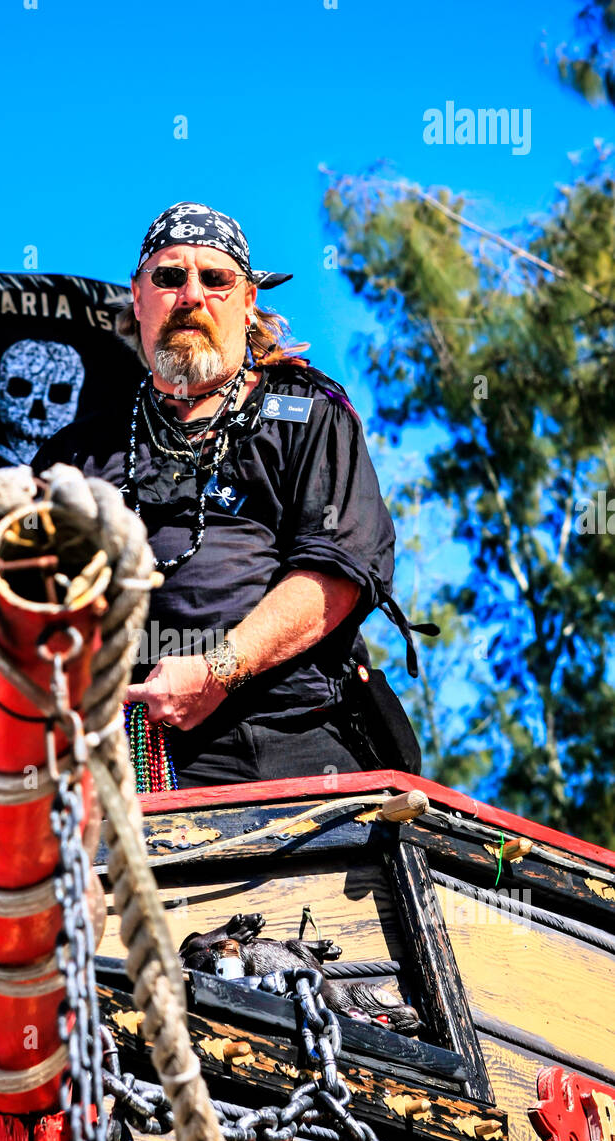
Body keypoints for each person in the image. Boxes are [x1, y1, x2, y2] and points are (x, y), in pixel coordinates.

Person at [34, 201, 427, 788]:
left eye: (216, 279)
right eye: (169, 277)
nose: (191, 295)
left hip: (292, 742)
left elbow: (339, 572)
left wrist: (218, 671)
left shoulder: (308, 414)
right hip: (131, 760)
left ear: (248, 304)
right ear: (138, 299)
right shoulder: (75, 455)